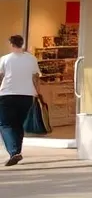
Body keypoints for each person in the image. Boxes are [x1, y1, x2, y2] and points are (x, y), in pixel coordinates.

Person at [0, 35, 42, 166]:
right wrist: (38, 93)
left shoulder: (5, 59)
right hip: (26, 95)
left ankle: (14, 152)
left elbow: (0, 76)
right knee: (18, 124)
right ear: (22, 44)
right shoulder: (31, 59)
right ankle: (17, 151)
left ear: (11, 44)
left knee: (5, 124)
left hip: (7, 94)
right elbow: (36, 77)